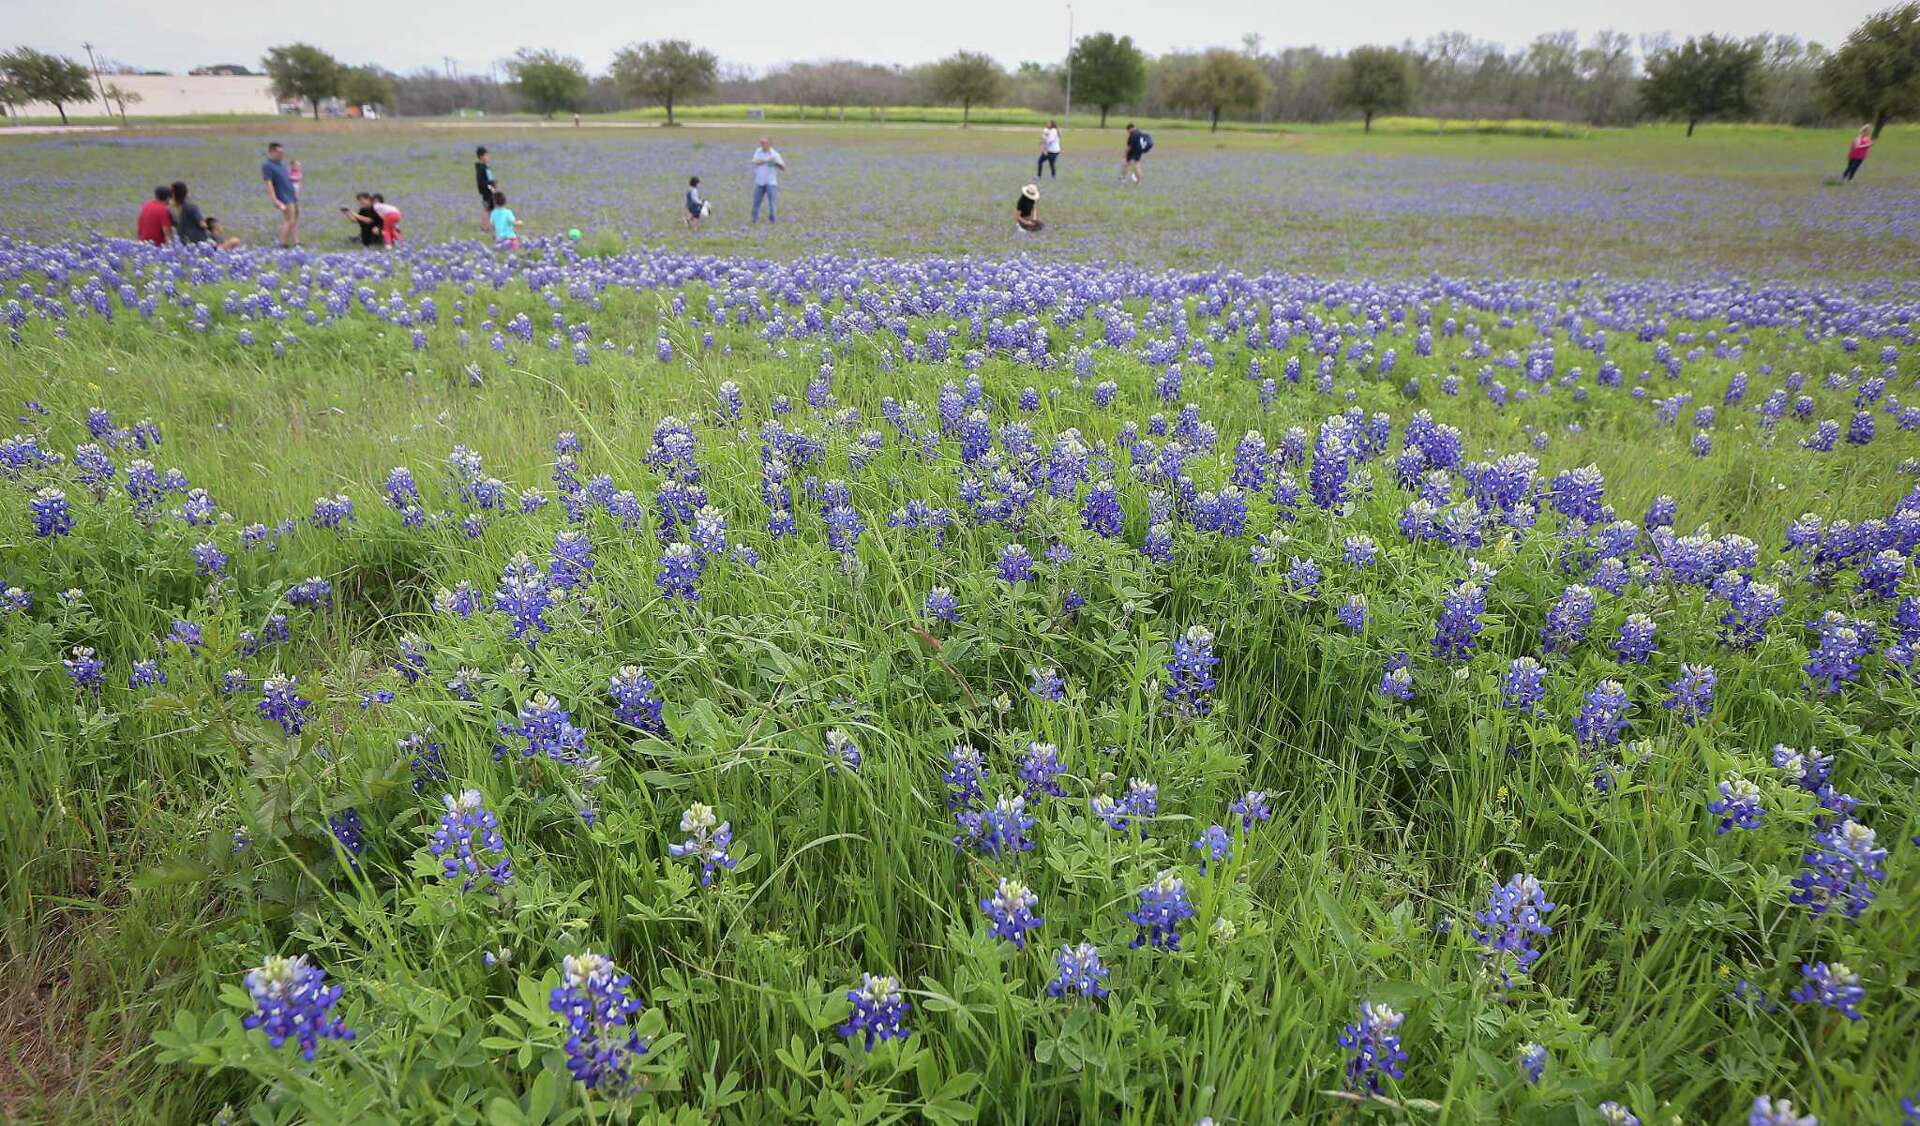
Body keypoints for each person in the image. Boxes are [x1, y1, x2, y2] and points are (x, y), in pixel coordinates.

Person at [261, 142, 299, 247]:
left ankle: (296, 242)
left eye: (282, 152)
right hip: (283, 195)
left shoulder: (281, 164)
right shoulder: (267, 165)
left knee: (293, 219)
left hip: (290, 193)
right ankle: (283, 243)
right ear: (271, 152)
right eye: (279, 152)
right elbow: (268, 183)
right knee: (289, 219)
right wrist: (274, 199)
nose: (282, 154)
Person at [751, 137, 785, 224]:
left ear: (769, 144)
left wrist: (776, 163)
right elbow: (755, 162)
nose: (762, 145)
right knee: (756, 203)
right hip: (759, 182)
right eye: (761, 143)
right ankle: (754, 220)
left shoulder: (775, 154)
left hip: (771, 182)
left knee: (772, 204)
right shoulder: (758, 151)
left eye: (764, 143)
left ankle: (772, 221)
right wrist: (767, 160)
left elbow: (783, 167)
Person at [170, 181, 213, 246]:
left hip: (181, 240)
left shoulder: (171, 208)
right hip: (197, 240)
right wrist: (211, 225)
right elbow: (202, 224)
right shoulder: (192, 207)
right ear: (186, 193)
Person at [474, 146, 497, 218]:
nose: (488, 157)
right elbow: (481, 182)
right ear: (481, 157)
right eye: (486, 155)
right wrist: (490, 186)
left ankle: (490, 225)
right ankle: (485, 227)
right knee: (486, 209)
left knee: (491, 208)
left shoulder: (485, 167)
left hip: (490, 191)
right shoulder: (481, 168)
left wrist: (493, 186)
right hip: (486, 192)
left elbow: (489, 179)